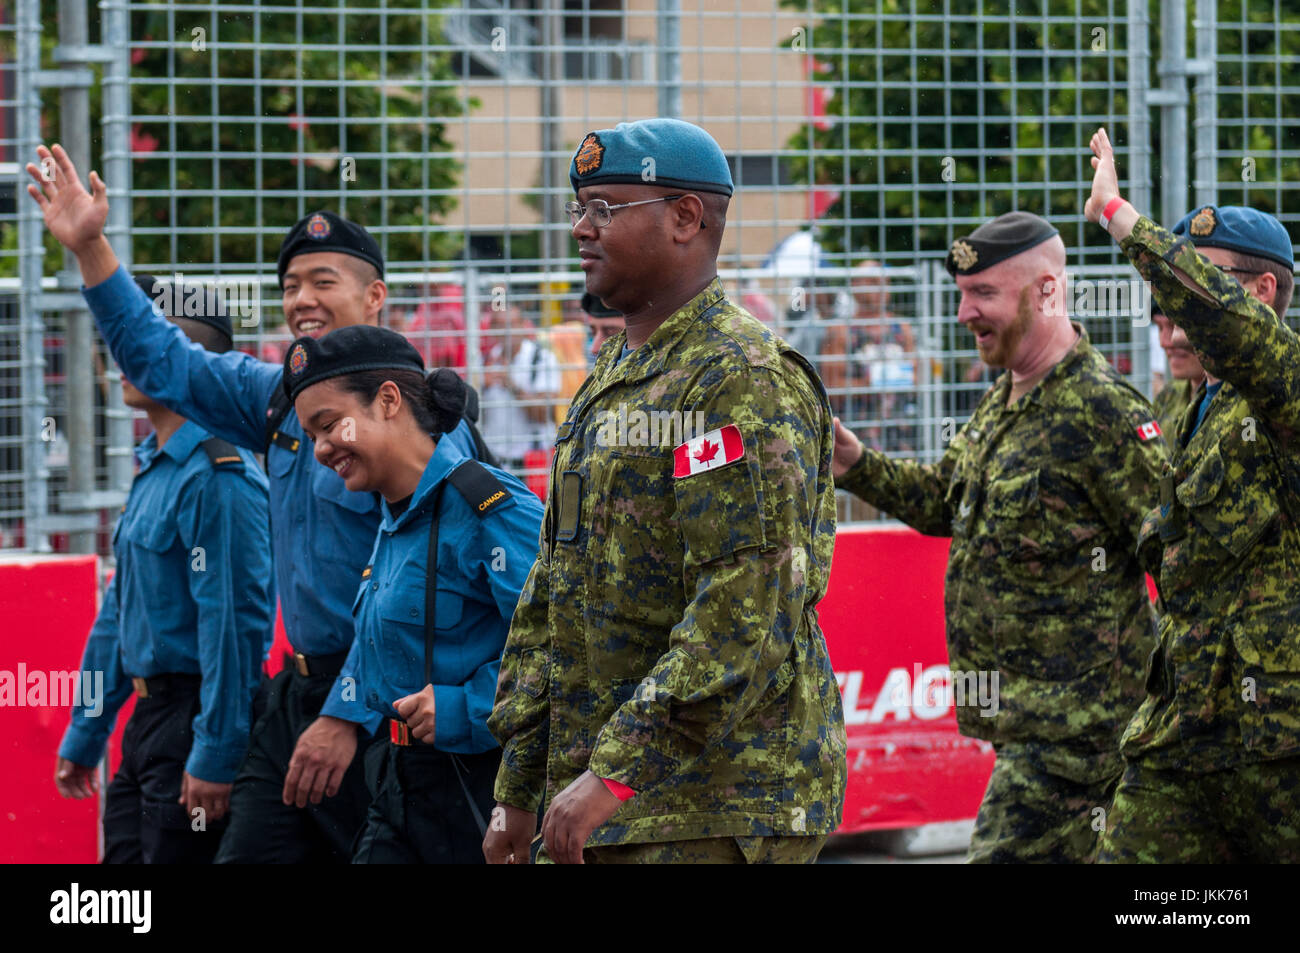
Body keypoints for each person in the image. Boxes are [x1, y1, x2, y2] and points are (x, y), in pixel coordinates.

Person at [26, 143, 488, 863]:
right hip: (294, 698)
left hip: (387, 704)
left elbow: (429, 597)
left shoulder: (421, 426)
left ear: (375, 298)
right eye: (290, 283)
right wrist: (91, 248)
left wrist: (347, 711)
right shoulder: (274, 400)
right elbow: (163, 358)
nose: (301, 297)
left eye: (322, 280)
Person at [483, 117, 847, 865]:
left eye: (606, 208)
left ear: (686, 218)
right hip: (607, 802)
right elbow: (553, 587)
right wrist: (519, 784)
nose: (582, 228)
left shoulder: (739, 378)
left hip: (712, 804)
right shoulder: (613, 377)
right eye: (577, 207)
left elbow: (745, 605)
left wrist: (614, 772)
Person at [831, 210, 1166, 863]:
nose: (964, 312)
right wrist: (852, 461)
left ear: (1046, 291)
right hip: (1025, 729)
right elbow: (944, 504)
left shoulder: (1103, 411)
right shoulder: (1006, 397)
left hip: (1082, 741)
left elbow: (1181, 560)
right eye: (962, 293)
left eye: (983, 293)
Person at [1086, 128, 1300, 863]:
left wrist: (1122, 217)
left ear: (1261, 292)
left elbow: (1241, 335)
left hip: (1277, 739)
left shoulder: (1286, 385)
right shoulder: (1193, 410)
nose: (1175, 306)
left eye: (1198, 280)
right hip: (1184, 725)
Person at [282, 326, 544, 862]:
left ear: (387, 400)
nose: (320, 449)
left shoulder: (488, 507)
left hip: (483, 788)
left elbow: (563, 652)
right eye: (310, 436)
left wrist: (461, 706)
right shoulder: (392, 515)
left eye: (329, 425)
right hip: (401, 779)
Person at [55, 275, 274, 863]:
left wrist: (214, 755)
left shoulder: (218, 476)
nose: (119, 359)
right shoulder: (160, 466)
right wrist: (88, 729)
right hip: (151, 724)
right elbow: (118, 617)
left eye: (138, 345)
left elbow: (233, 632)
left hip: (193, 723)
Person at [1150, 309, 1206, 439]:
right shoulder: (1168, 396)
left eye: (1177, 326)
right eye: (1159, 328)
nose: (1164, 343)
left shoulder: (1241, 402)